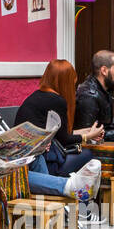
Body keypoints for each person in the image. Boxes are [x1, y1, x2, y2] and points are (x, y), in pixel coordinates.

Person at [11, 59, 104, 200]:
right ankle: (80, 203)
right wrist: (87, 137)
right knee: (88, 155)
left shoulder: (36, 96)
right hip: (44, 158)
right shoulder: (57, 100)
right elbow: (65, 140)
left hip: (32, 157)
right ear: (65, 82)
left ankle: (68, 201)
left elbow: (60, 134)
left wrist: (87, 132)